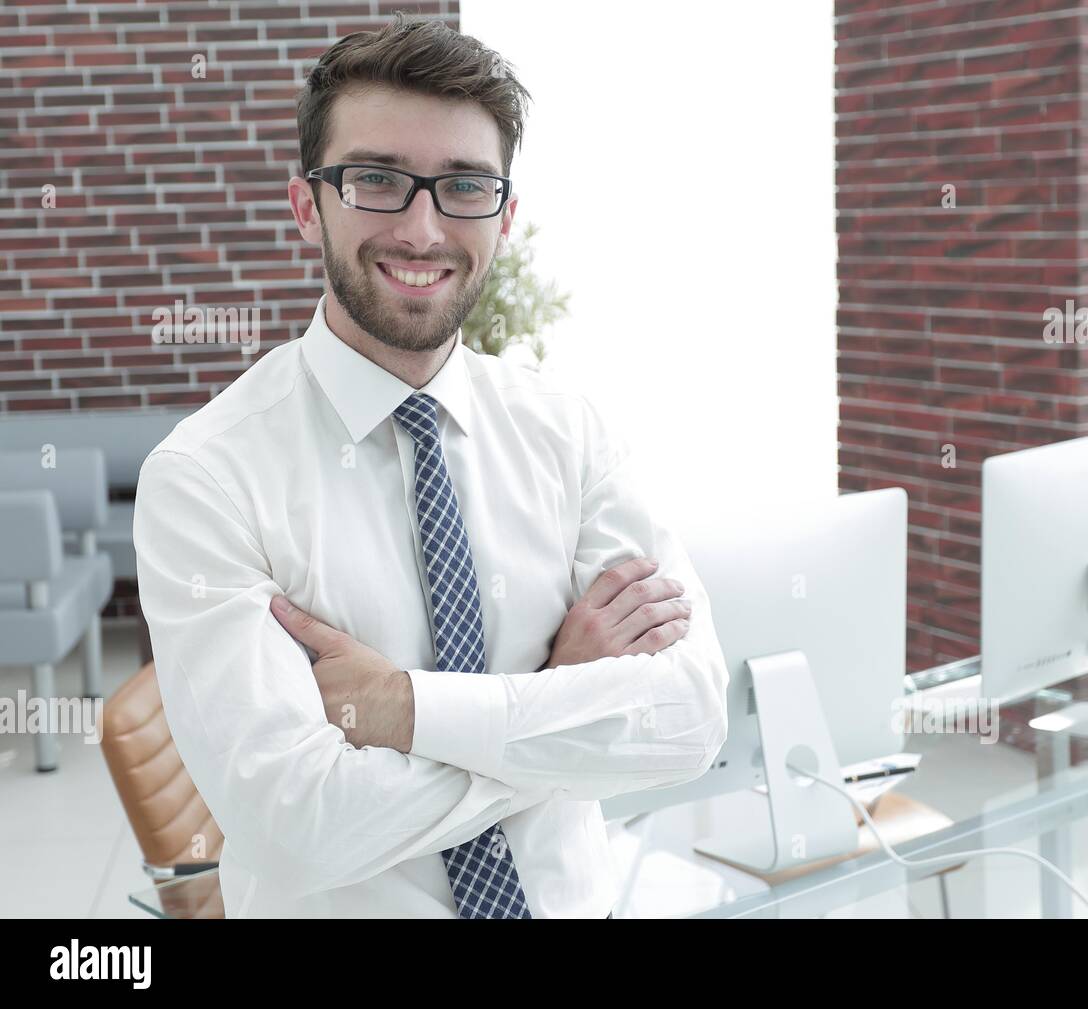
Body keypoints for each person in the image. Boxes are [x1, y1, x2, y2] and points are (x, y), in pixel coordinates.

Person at [133, 13, 728, 919]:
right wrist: (547, 707)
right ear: (308, 205)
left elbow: (688, 718)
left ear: (506, 215)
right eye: (377, 179)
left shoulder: (569, 432)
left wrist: (405, 709)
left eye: (463, 187)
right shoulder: (206, 478)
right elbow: (298, 825)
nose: (422, 228)